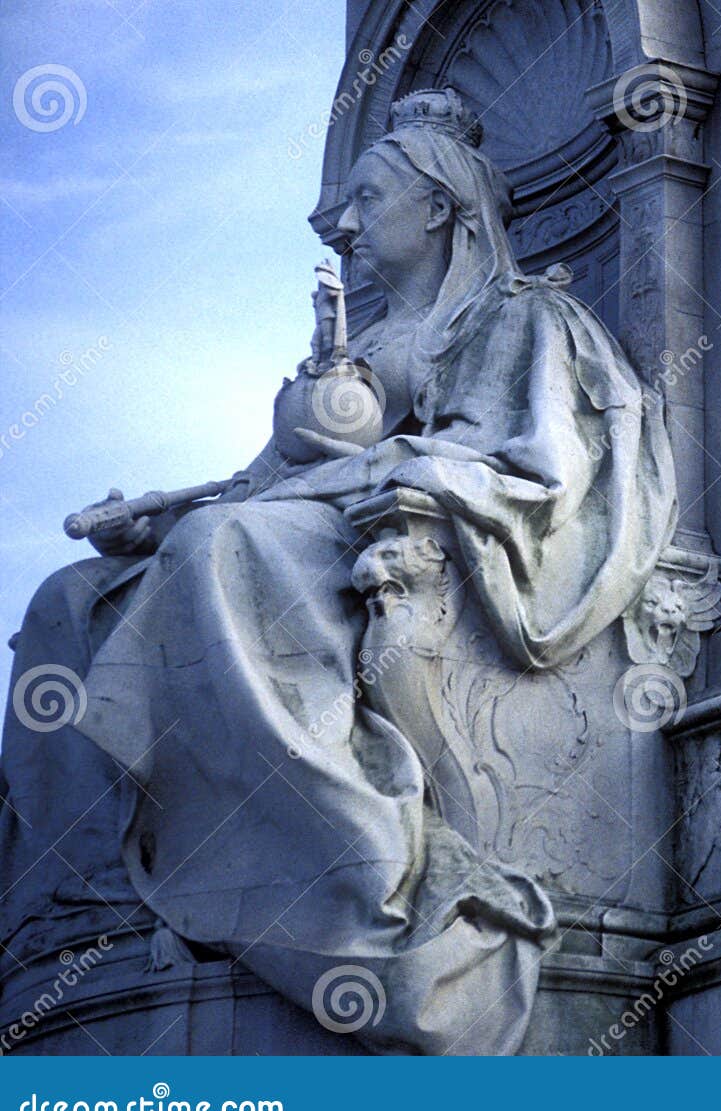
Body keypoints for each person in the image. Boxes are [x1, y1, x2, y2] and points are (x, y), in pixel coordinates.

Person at [0, 88, 676, 1053]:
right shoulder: (358, 343)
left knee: (219, 551)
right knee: (68, 598)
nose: (345, 224)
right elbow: (270, 481)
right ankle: (87, 893)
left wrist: (256, 504)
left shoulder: (521, 319)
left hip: (424, 541)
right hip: (321, 532)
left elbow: (523, 465)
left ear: (440, 207)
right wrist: (165, 510)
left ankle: (341, 865)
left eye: (367, 200)